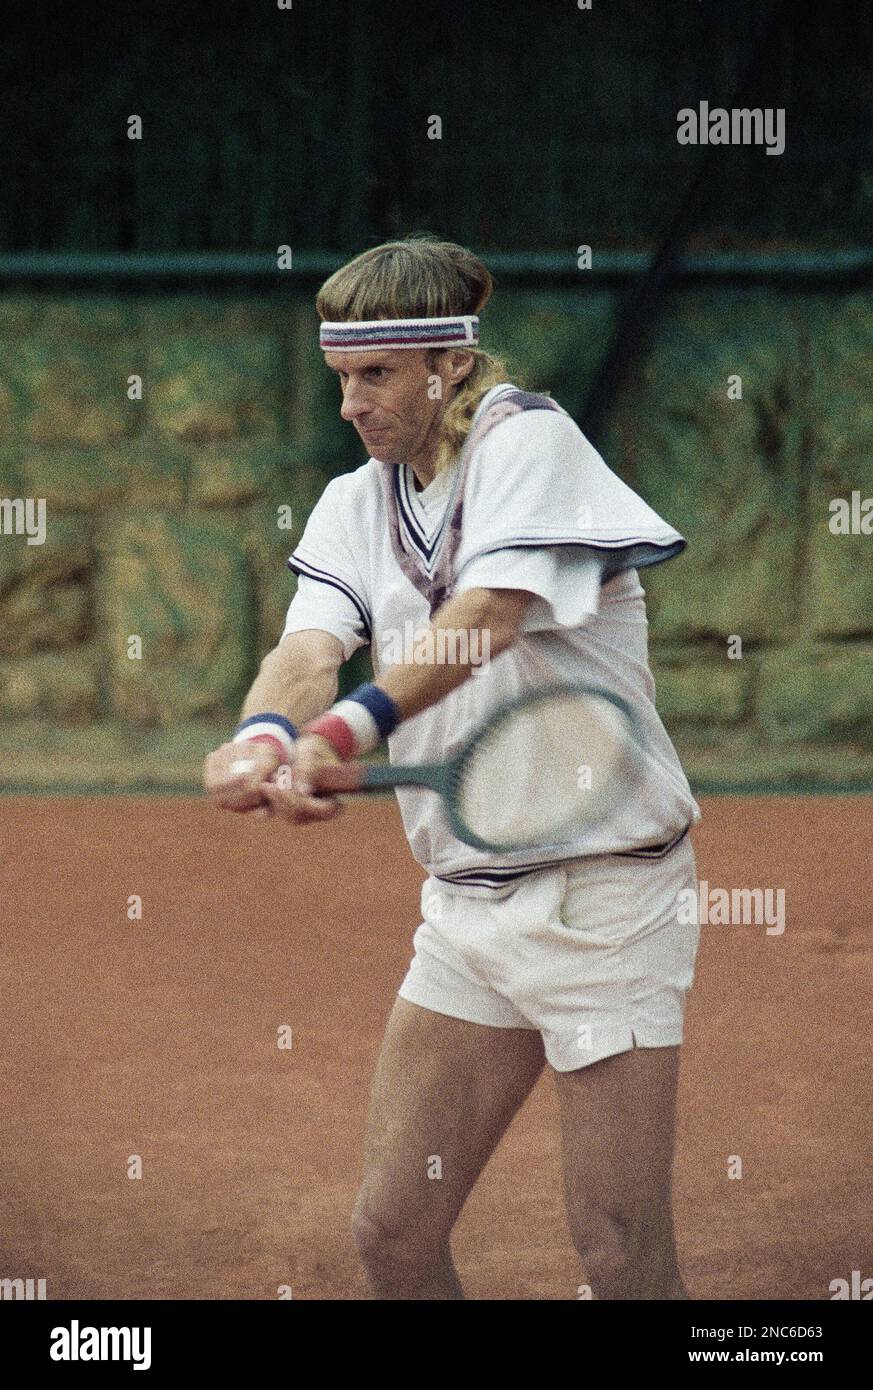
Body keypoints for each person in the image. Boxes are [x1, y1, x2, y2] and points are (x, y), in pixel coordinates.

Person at [203, 234, 702, 1300]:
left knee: (619, 1249)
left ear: (453, 365)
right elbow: (307, 650)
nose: (350, 403)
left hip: (606, 898)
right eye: (340, 376)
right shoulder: (353, 501)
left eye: (375, 374)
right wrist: (267, 736)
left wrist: (341, 737)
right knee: (392, 1231)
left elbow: (488, 618)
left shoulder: (530, 441)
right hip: (468, 911)